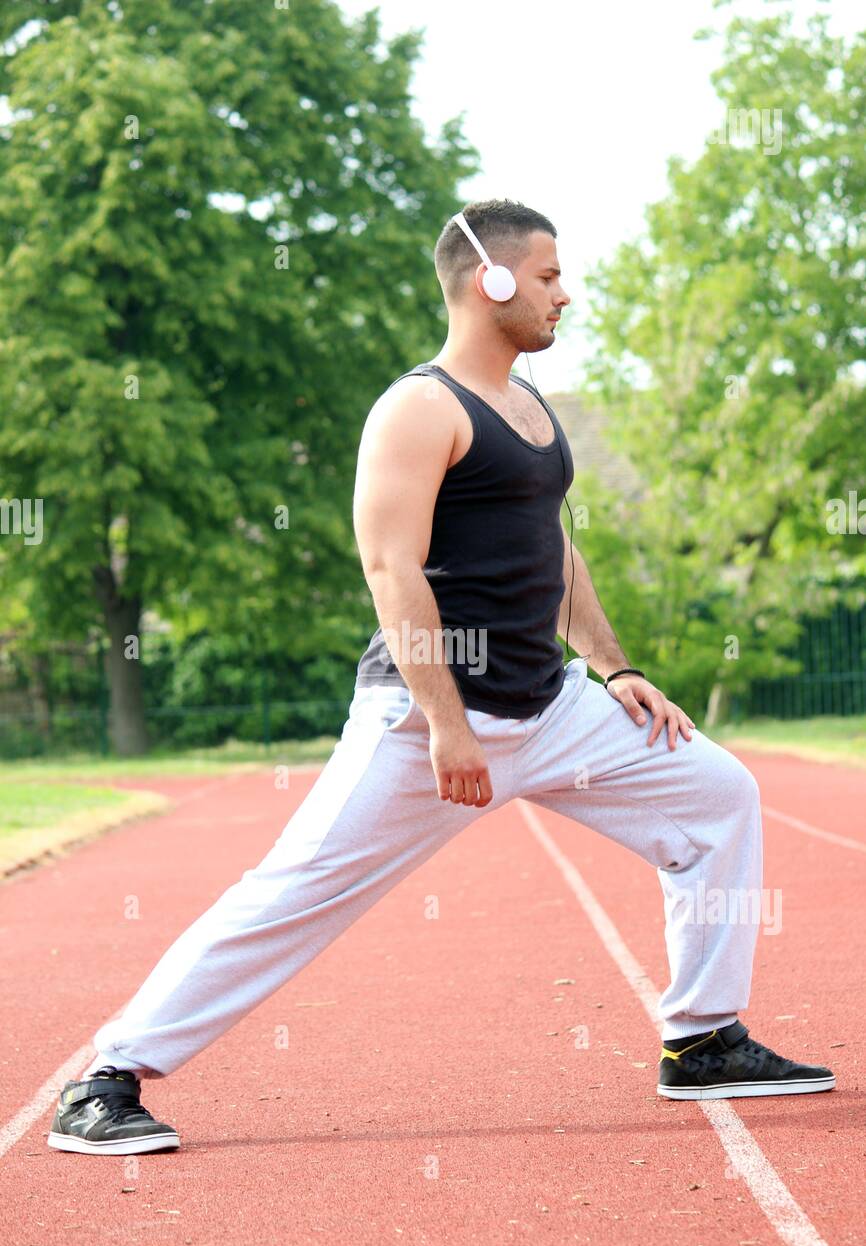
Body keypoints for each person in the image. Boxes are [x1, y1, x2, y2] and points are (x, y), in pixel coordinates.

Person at [48, 198, 834, 1155]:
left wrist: (614, 665)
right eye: (548, 276)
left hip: (551, 709)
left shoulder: (533, 406)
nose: (564, 294)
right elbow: (393, 570)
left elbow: (555, 552)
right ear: (489, 281)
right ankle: (106, 1080)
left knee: (720, 795)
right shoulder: (416, 408)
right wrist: (448, 722)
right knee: (293, 890)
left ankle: (702, 1040)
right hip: (423, 723)